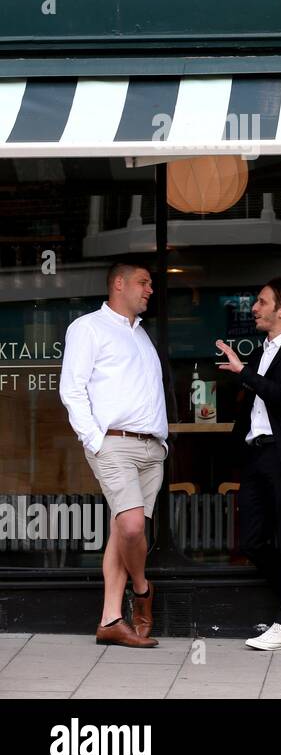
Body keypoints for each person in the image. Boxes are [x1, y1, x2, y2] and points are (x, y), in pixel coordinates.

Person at [60, 262, 168, 648]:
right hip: (114, 442)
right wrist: (95, 440)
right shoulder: (88, 328)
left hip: (151, 447)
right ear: (118, 285)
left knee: (120, 532)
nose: (149, 289)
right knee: (133, 527)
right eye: (143, 282)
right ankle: (142, 590)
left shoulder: (142, 337)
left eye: (151, 284)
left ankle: (110, 620)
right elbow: (71, 388)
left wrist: (163, 440)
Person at [215, 277, 281, 651]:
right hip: (257, 454)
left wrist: (245, 373)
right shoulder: (262, 352)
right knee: (252, 540)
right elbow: (258, 401)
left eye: (261, 302)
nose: (254, 308)